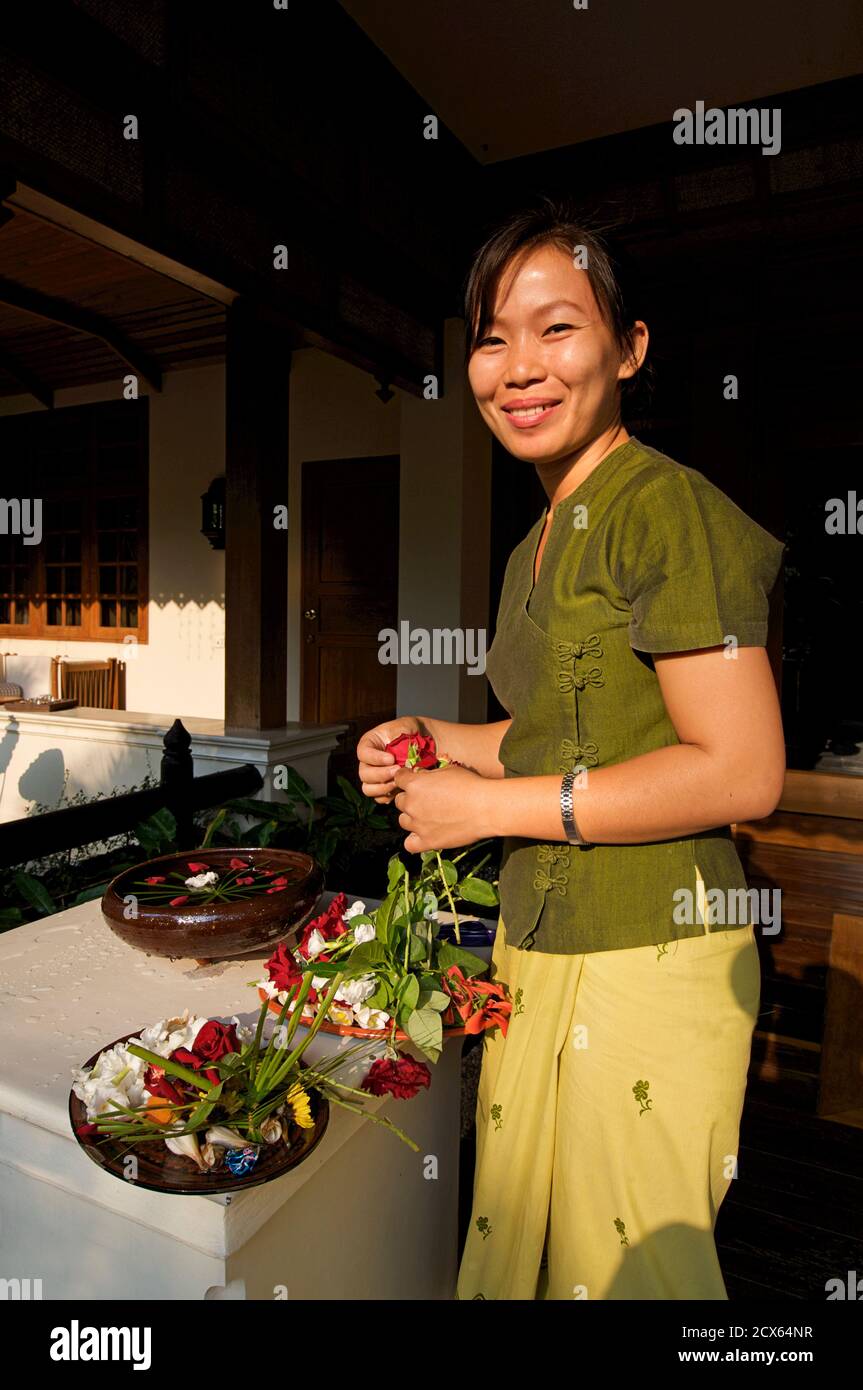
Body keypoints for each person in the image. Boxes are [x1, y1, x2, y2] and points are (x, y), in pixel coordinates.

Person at [356, 200, 786, 1301]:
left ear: (629, 349)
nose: (517, 366)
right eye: (493, 336)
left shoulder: (663, 510)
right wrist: (435, 741)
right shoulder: (531, 546)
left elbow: (739, 768)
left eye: (558, 328)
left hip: (652, 946)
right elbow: (560, 735)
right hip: (539, 943)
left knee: (628, 1267)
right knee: (521, 1245)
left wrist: (486, 810)